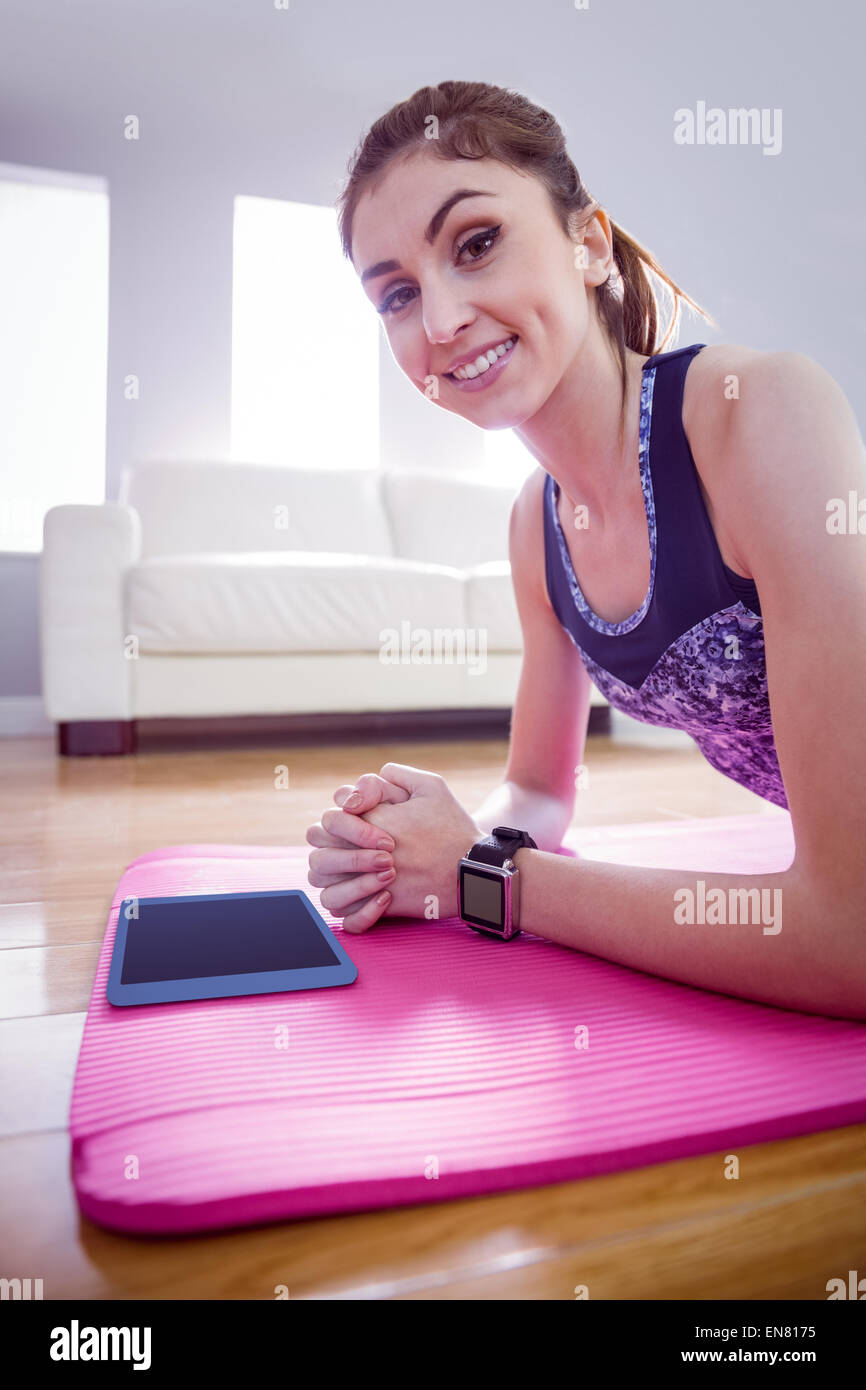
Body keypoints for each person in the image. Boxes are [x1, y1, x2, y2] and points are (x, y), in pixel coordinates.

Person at [306, 81, 866, 1019]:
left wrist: (492, 882)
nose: (440, 322)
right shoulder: (536, 528)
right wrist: (422, 846)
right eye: (398, 293)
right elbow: (537, 797)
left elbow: (849, 936)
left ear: (589, 243)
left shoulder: (760, 414)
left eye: (476, 243)